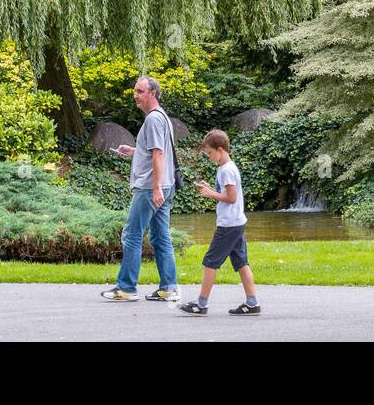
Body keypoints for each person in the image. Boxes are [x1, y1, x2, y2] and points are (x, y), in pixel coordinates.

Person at [101, 76, 179, 302]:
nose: (135, 95)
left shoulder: (153, 120)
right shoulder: (162, 117)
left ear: (152, 93)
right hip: (166, 184)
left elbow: (159, 154)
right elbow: (154, 151)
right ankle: (169, 288)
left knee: (132, 235)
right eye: (135, 91)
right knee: (161, 237)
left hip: (150, 187)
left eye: (140, 91)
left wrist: (155, 188)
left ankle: (126, 288)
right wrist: (134, 151)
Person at [178, 129, 260, 316]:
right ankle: (252, 303)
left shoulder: (226, 170)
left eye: (209, 153)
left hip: (228, 225)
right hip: (236, 223)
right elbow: (228, 195)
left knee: (210, 262)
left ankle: (201, 304)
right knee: (241, 263)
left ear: (220, 149)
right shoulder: (227, 168)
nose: (209, 157)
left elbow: (231, 197)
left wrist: (209, 193)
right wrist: (210, 189)